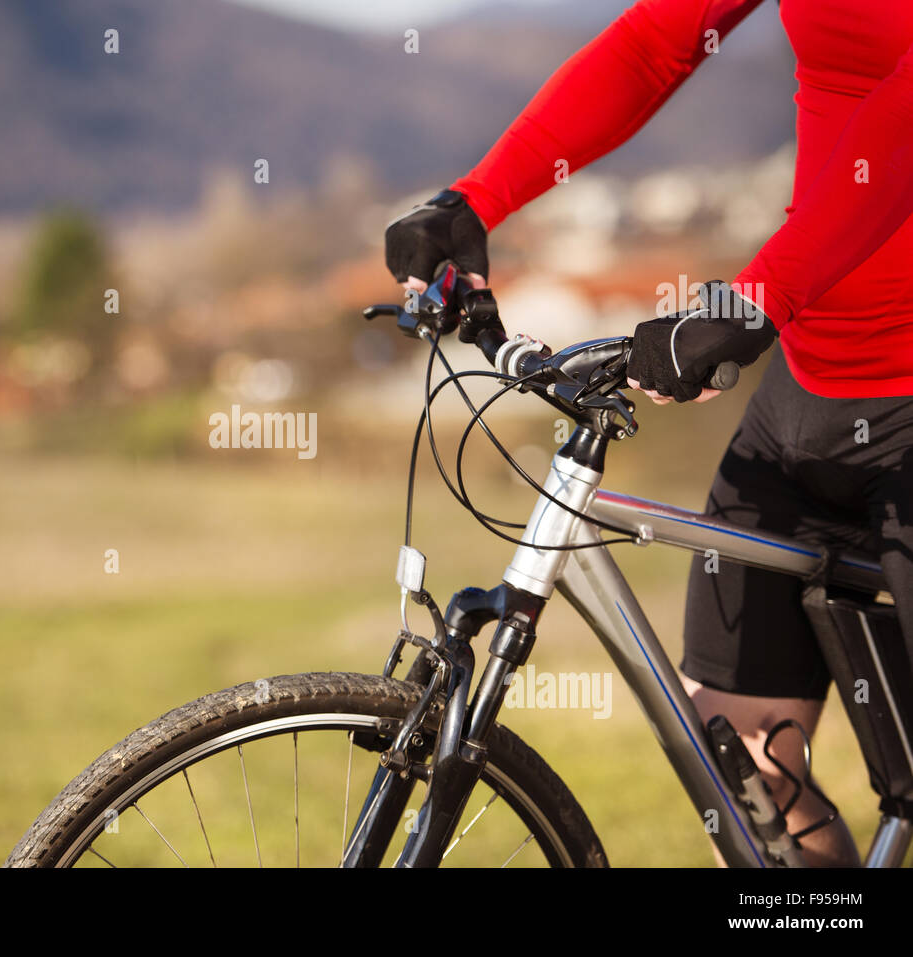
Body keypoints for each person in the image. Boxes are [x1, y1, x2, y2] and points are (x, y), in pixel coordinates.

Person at [384, 0, 913, 867]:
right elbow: (656, 41)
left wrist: (752, 301)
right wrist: (477, 196)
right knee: (750, 780)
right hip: (806, 396)